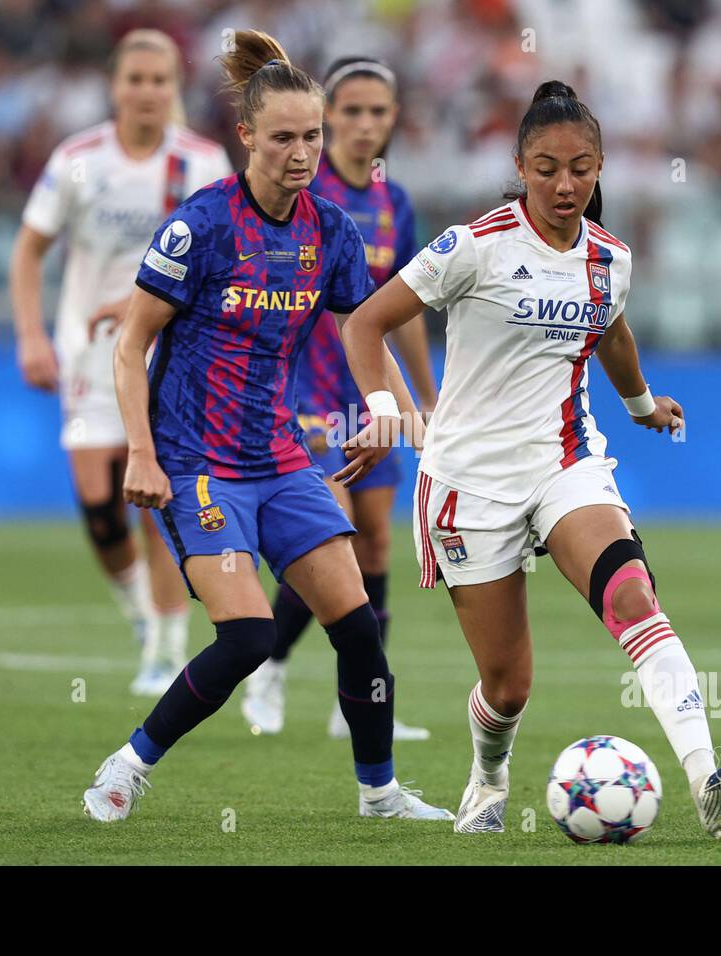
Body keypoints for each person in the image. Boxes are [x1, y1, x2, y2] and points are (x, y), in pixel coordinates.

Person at [340, 81, 721, 838]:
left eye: (580, 167)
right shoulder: (473, 246)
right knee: (508, 685)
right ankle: (488, 777)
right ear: (520, 165)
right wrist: (382, 414)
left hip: (566, 463)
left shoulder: (610, 260)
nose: (564, 185)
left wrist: (641, 406)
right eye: (546, 168)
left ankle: (705, 778)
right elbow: (365, 325)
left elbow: (613, 333)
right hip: (468, 478)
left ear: (600, 167)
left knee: (633, 594)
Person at [80, 30, 452, 824]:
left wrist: (388, 412)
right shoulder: (202, 226)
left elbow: (364, 333)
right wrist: (141, 456)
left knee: (358, 626)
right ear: (245, 136)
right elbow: (131, 344)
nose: (303, 151)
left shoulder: (330, 232)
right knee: (248, 637)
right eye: (284, 136)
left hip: (280, 457)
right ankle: (128, 763)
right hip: (196, 462)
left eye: (311, 135)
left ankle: (379, 793)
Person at [11, 30, 232, 695]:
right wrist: (30, 336)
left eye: (159, 80)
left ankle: (165, 647)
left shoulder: (203, 162)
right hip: (88, 351)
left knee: (153, 496)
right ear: (114, 86)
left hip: (174, 353)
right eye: (135, 79)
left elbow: (228, 259)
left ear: (175, 88)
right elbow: (28, 251)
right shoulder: (78, 160)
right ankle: (140, 612)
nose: (147, 91)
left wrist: (149, 302)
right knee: (101, 510)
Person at [241, 56, 439, 741]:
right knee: (337, 539)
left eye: (377, 112)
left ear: (392, 121)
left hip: (372, 394)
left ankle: (357, 696)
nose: (363, 125)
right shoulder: (304, 191)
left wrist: (426, 399)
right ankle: (268, 666)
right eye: (349, 112)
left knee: (380, 545)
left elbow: (404, 310)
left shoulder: (395, 202)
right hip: (304, 393)